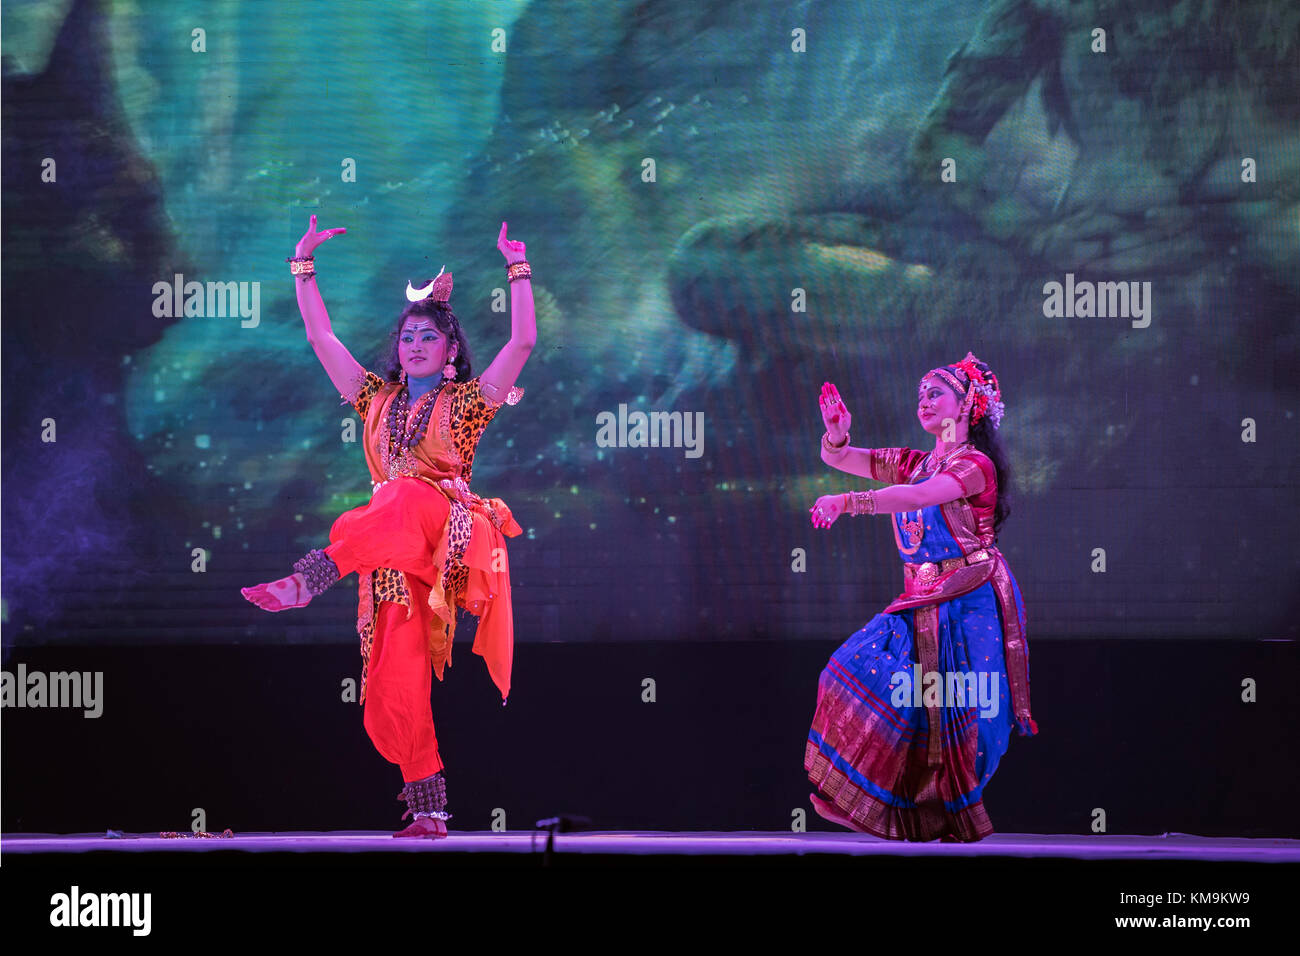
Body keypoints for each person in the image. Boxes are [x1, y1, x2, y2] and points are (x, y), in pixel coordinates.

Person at [241, 216, 535, 839]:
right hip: (390, 556)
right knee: (387, 689)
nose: (416, 345)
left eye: (429, 337)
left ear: (451, 352)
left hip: (444, 532)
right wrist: (303, 264)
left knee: (399, 493)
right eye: (407, 338)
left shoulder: (468, 404)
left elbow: (523, 345)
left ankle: (309, 577)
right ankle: (428, 810)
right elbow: (321, 337)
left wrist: (517, 267)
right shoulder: (375, 398)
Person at [804, 353, 1036, 842]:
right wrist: (837, 434)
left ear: (966, 404)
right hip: (922, 598)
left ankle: (937, 813)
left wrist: (847, 502)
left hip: (971, 597)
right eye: (920, 395)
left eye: (936, 393)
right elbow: (842, 459)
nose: (924, 402)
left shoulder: (974, 464)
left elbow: (918, 498)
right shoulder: (916, 463)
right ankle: (879, 802)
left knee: (966, 713)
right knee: (853, 671)